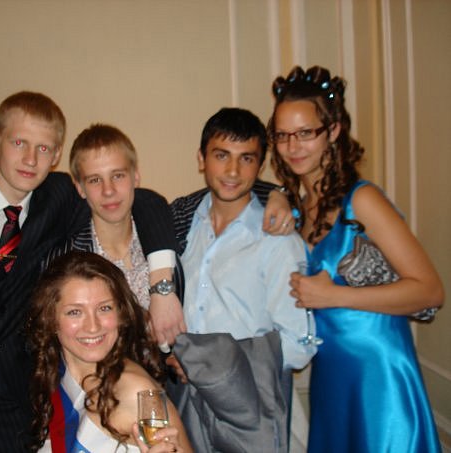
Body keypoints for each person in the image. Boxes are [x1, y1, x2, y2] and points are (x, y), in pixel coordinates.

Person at [0, 91, 179, 452]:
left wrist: (162, 288)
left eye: (43, 148)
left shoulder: (60, 196)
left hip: (22, 400)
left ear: (55, 156)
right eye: (19, 143)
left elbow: (142, 201)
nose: (30, 159)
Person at [268, 65, 444, 452]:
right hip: (331, 374)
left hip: (379, 374)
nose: (293, 147)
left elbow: (430, 291)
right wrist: (278, 193)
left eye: (305, 133)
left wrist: (334, 296)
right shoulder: (298, 206)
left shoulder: (363, 200)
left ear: (332, 131)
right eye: (282, 135)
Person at [166, 107, 315, 452]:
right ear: (201, 159)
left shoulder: (277, 241)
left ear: (260, 167)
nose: (233, 171)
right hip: (184, 401)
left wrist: (207, 364)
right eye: (221, 156)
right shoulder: (181, 222)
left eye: (246, 159)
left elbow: (299, 344)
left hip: (252, 412)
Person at [27, 250, 192, 453]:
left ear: (121, 314)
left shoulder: (136, 392)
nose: (93, 327)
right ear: (50, 319)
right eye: (75, 312)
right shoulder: (53, 374)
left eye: (104, 308)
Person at [44, 123, 184, 312]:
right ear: (80, 188)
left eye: (118, 176)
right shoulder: (63, 259)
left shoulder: (172, 233)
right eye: (95, 180)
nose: (108, 190)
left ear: (136, 176)